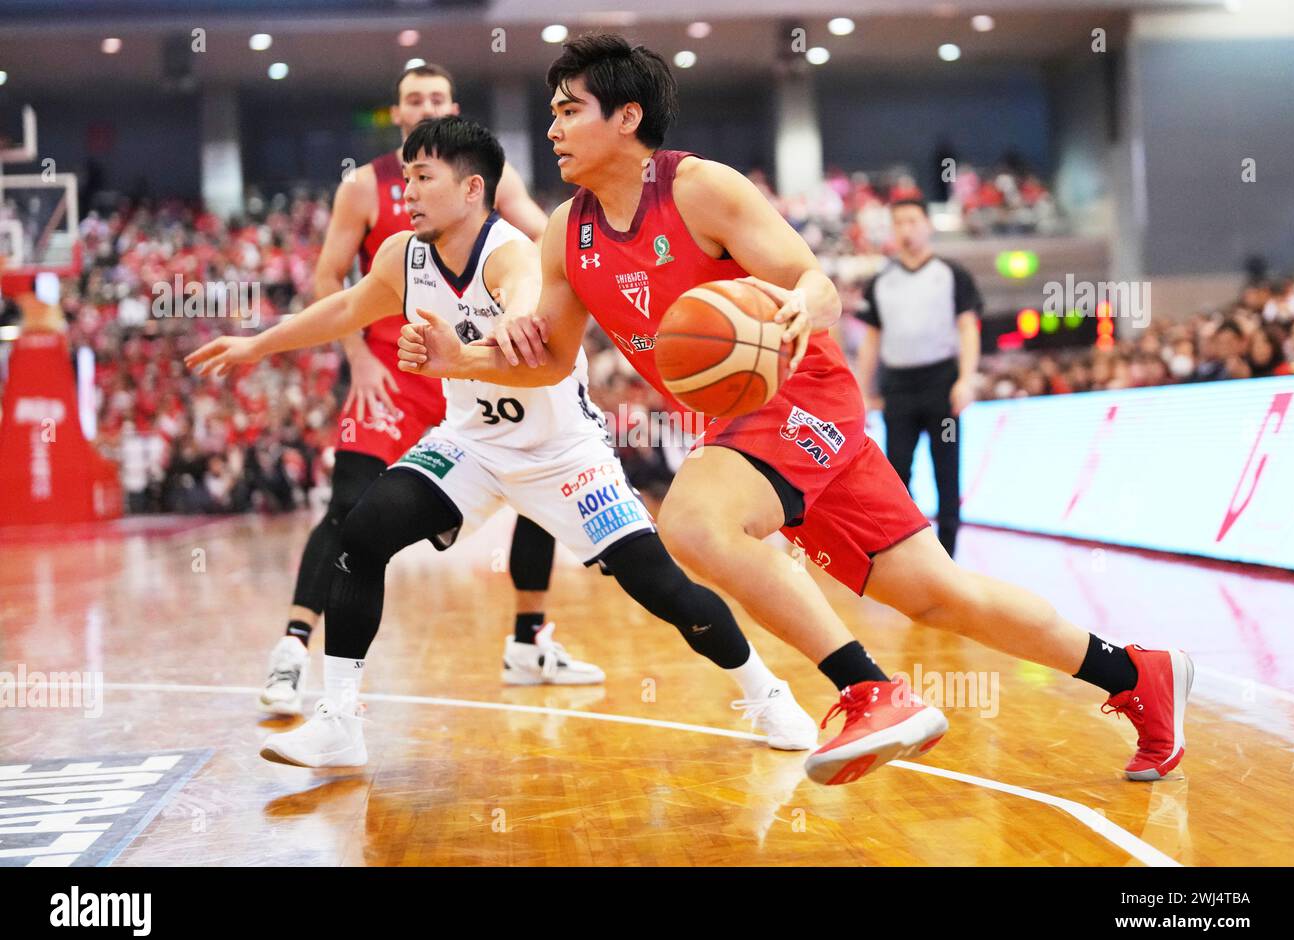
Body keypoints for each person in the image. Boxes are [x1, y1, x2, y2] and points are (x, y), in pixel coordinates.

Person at [397, 34, 1193, 786]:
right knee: (939, 596)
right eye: (554, 112)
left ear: (626, 117)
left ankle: (872, 692)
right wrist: (457, 360)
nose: (554, 128)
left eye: (571, 110)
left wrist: (801, 306)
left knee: (694, 520)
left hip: (800, 393)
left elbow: (813, 279)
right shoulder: (566, 234)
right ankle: (1139, 674)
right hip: (746, 426)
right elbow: (552, 360)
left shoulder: (701, 188)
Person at [186, 116, 817, 767]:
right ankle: (341, 721)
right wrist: (256, 344)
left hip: (561, 453)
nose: (406, 190)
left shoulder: (514, 253)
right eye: (404, 177)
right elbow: (346, 310)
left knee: (658, 586)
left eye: (423, 176)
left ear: (471, 190)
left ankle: (766, 693)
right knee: (362, 529)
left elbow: (523, 313)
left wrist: (474, 344)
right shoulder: (403, 256)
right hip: (472, 445)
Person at [259, 63, 562, 716]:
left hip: (467, 370)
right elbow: (328, 281)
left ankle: (530, 643)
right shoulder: (365, 186)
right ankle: (292, 650)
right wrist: (356, 361)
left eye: (435, 97)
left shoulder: (489, 176)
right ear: (396, 114)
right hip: (390, 372)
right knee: (348, 510)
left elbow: (543, 239)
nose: (423, 105)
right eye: (412, 99)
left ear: (452, 105)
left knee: (539, 492)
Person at [855, 198, 981, 557]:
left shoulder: (952, 274)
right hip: (899, 387)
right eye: (899, 223)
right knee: (896, 476)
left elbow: (968, 327)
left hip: (942, 382)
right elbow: (871, 341)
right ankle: (909, 558)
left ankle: (949, 561)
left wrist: (966, 379)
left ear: (927, 224)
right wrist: (862, 392)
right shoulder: (880, 282)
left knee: (947, 473)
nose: (906, 229)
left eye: (912, 221)